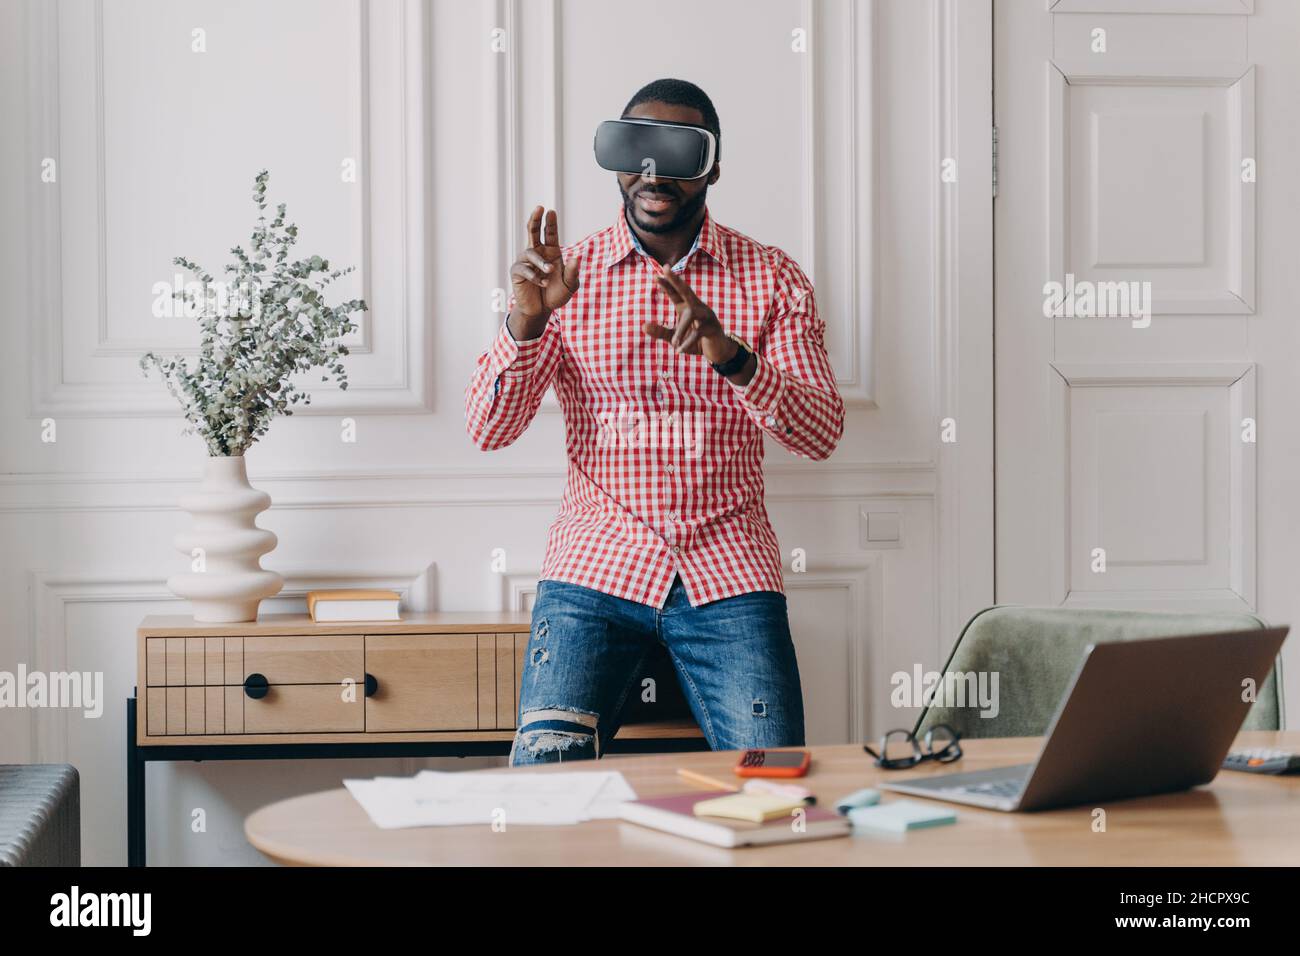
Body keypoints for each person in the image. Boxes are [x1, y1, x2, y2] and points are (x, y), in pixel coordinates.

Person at [465, 78, 845, 764]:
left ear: (713, 168)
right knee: (542, 789)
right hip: (594, 569)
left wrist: (730, 356)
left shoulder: (773, 278)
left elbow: (820, 433)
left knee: (775, 781)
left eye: (677, 152)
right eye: (638, 148)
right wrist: (527, 320)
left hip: (729, 569)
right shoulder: (566, 277)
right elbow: (487, 429)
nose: (654, 173)